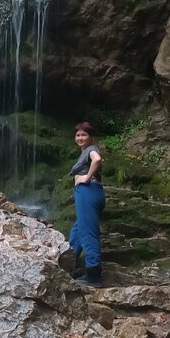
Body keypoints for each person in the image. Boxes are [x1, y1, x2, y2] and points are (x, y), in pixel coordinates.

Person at [68, 121, 105, 287]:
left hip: (88, 192)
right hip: (89, 193)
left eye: (84, 134)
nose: (80, 138)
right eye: (78, 135)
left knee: (87, 232)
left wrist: (87, 177)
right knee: (77, 231)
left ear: (91, 137)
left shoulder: (91, 150)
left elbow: (97, 160)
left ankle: (94, 273)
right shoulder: (84, 153)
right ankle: (69, 265)